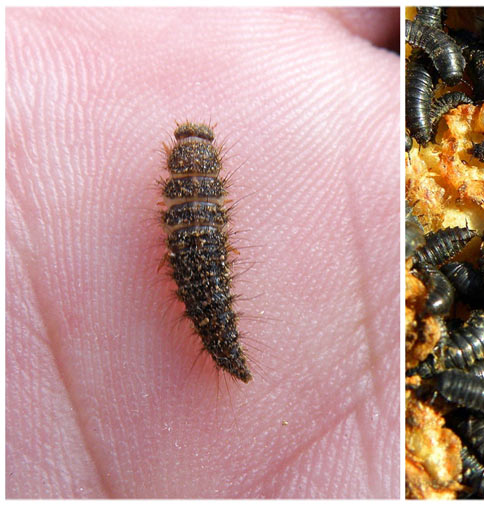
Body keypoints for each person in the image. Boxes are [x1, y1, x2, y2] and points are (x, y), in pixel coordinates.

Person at [6, 7, 401, 498]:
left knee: (206, 281)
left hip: (201, 246)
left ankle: (224, 350)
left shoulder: (183, 192)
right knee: (207, 280)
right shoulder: (200, 195)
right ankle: (224, 350)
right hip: (204, 247)